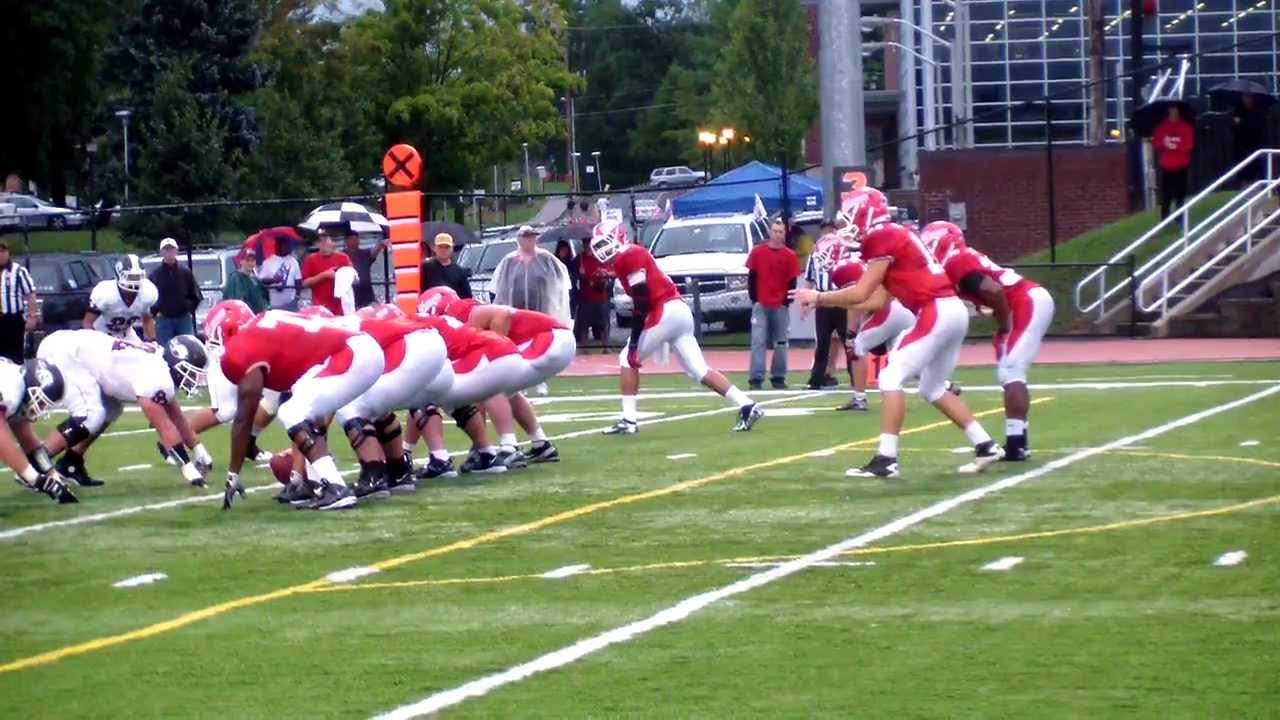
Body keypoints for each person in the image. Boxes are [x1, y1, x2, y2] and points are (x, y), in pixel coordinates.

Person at [790, 187, 1000, 479]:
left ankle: (886, 459)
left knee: (890, 377)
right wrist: (828, 299)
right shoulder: (896, 237)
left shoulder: (882, 237)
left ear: (864, 213)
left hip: (935, 309)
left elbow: (862, 291)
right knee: (932, 387)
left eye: (850, 216)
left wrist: (818, 298)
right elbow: (877, 299)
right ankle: (985, 444)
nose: (846, 224)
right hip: (950, 310)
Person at [589, 219, 762, 435]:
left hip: (665, 310)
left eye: (606, 243)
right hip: (678, 310)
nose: (604, 250)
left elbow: (642, 298)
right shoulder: (628, 256)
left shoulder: (629, 255)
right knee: (699, 370)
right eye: (599, 246)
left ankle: (629, 420)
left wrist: (634, 342)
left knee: (627, 358)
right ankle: (747, 405)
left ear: (620, 237)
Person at [217, 308, 385, 511]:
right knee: (307, 411)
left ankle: (336, 487)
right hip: (360, 348)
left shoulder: (240, 349)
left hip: (351, 354)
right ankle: (318, 484)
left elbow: (244, 417)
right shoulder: (265, 323)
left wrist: (233, 473)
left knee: (292, 412)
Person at [923, 221, 1054, 462]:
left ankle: (1017, 446)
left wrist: (1004, 323)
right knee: (1008, 373)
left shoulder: (956, 260)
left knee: (1012, 371)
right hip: (1023, 301)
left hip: (1027, 301)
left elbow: (993, 290)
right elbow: (990, 292)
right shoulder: (959, 258)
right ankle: (1017, 443)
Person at [37, 330, 213, 488]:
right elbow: (165, 427)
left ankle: (70, 463)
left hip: (80, 353)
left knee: (111, 409)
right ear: (177, 362)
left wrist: (198, 449)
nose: (193, 379)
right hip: (66, 353)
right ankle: (36, 465)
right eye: (191, 372)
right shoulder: (157, 376)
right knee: (91, 416)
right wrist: (188, 469)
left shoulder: (161, 368)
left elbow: (177, 417)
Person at [0, 356, 78, 503]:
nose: (41, 408)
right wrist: (34, 479)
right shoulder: (10, 389)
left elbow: (27, 439)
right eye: (41, 402)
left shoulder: (15, 383)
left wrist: (52, 475)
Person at [746, 219, 799, 390]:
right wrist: (755, 299)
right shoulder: (757, 252)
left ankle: (778, 376)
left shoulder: (790, 255)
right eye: (775, 231)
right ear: (769, 232)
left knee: (781, 343)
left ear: (784, 234)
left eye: (780, 232)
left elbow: (792, 281)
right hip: (761, 304)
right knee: (758, 341)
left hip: (780, 306)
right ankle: (756, 377)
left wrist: (786, 301)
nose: (777, 235)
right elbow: (752, 277)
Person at [491, 225, 571, 324]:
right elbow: (501, 288)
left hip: (542, 310)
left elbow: (559, 280)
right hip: (516, 311)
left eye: (532, 236)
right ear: (519, 239)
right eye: (526, 237)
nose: (530, 240)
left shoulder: (545, 258)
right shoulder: (509, 261)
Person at [803, 221, 845, 391]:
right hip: (822, 299)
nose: (828, 233)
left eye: (831, 230)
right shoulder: (815, 253)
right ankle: (817, 378)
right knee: (822, 342)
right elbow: (810, 278)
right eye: (825, 230)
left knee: (848, 340)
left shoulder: (844, 251)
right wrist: (806, 301)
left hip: (842, 298)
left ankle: (856, 376)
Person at [86, 254, 158, 342]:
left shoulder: (147, 293)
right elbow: (87, 323)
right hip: (101, 335)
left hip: (126, 334)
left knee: (146, 354)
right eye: (130, 277)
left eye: (137, 277)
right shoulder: (106, 293)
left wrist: (151, 341)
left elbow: (147, 319)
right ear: (119, 274)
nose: (134, 282)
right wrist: (95, 343)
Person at [148, 238, 203, 346]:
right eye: (166, 249)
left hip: (184, 320)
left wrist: (188, 309)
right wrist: (155, 313)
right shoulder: (155, 275)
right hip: (164, 321)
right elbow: (148, 299)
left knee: (188, 348)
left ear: (176, 251)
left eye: (171, 249)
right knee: (165, 350)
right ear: (161, 252)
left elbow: (196, 295)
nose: (169, 252)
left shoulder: (185, 272)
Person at [301, 222, 353, 316]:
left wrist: (339, 276)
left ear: (331, 241)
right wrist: (324, 275)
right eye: (320, 240)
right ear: (316, 244)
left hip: (341, 308)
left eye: (326, 239)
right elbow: (305, 283)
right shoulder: (310, 259)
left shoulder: (343, 257)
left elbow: (354, 278)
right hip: (320, 308)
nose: (324, 243)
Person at [1152, 106, 1194, 219]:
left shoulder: (1185, 128)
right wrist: (1163, 144)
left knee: (1180, 194)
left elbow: (1188, 146)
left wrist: (1174, 145)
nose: (1173, 114)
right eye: (1171, 112)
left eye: (1175, 112)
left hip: (1181, 165)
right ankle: (1165, 217)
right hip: (1166, 166)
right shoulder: (1161, 128)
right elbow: (1156, 144)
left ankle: (1180, 216)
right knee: (1167, 194)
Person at [0, 240, 38, 363]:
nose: (1, 254)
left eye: (3, 251)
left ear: (8, 253)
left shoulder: (19, 271)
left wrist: (32, 317)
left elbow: (30, 294)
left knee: (15, 356)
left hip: (13, 320)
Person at [574, 244, 613, 352]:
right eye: (585, 242)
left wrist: (604, 278)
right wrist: (580, 273)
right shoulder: (580, 258)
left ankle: (606, 347)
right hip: (586, 297)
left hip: (601, 296)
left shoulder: (602, 257)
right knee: (584, 324)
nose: (587, 246)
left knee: (604, 322)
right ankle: (584, 347)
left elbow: (610, 272)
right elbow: (573, 273)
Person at [343, 226, 389, 308]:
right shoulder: (342, 256)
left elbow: (374, 252)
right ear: (347, 241)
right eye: (353, 239)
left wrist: (381, 244)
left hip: (367, 295)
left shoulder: (364, 253)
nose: (356, 241)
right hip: (351, 295)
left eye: (357, 239)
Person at [420, 232, 473, 299]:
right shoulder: (425, 268)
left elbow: (467, 298)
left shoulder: (459, 272)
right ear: (434, 248)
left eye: (447, 247)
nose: (443, 250)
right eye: (440, 247)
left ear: (452, 249)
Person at [259, 239, 302, 311]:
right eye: (286, 244)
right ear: (278, 246)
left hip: (291, 303)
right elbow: (262, 281)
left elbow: (298, 280)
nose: (289, 247)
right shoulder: (267, 262)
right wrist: (273, 280)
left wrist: (297, 297)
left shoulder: (293, 261)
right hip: (275, 304)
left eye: (289, 245)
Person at [221, 249, 269, 313]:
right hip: (245, 317)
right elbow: (236, 300)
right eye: (247, 260)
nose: (250, 263)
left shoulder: (255, 279)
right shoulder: (235, 278)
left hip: (259, 316)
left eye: (253, 260)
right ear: (241, 261)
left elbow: (264, 296)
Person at [554, 240, 579, 319]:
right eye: (562, 250)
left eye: (566, 250)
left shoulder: (571, 263)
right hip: (559, 295)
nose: (564, 252)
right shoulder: (554, 263)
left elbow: (575, 278)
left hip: (571, 294)